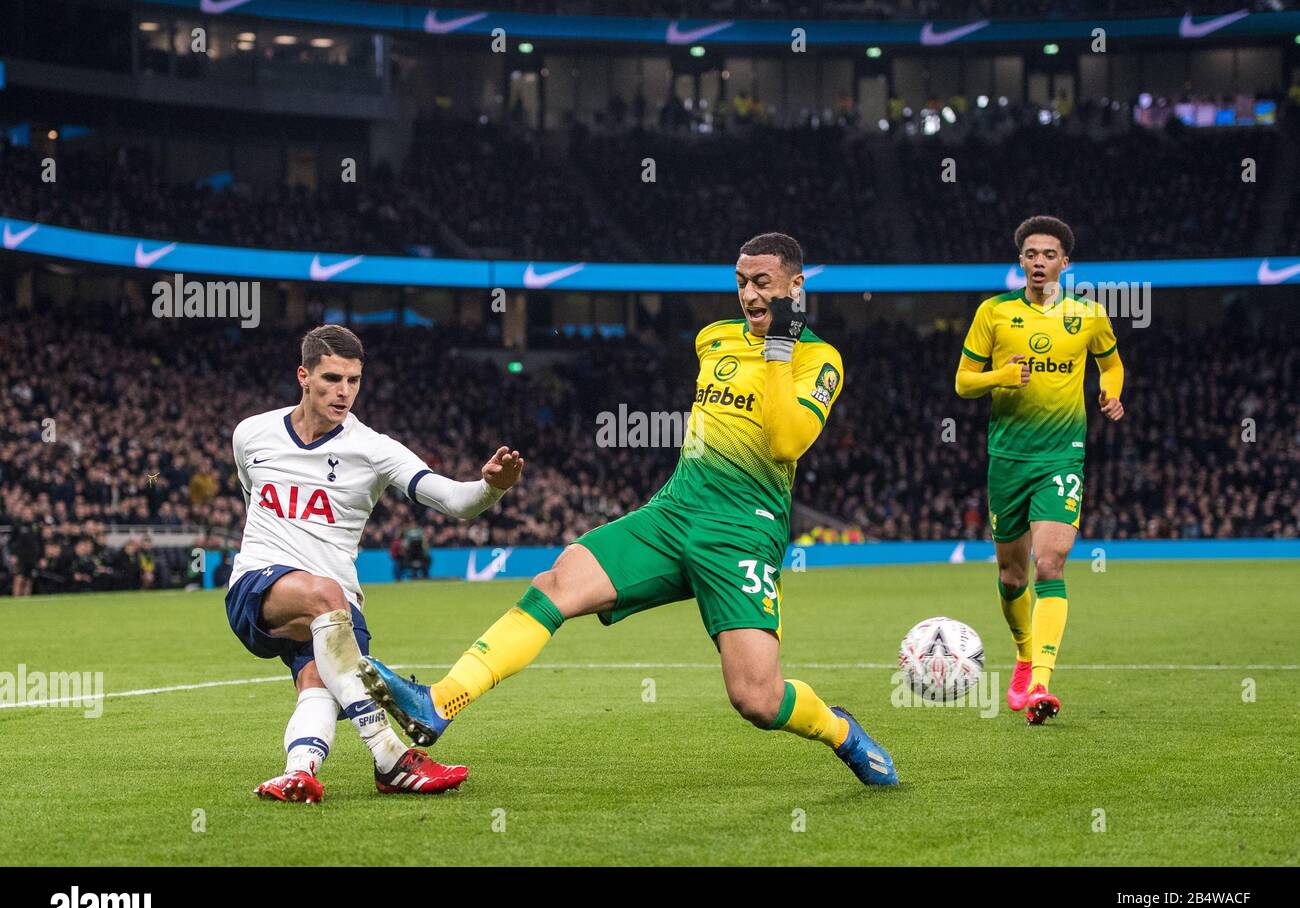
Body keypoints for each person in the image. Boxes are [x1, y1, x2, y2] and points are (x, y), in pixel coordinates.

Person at [359, 233, 898, 787]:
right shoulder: (713, 339)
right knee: (557, 582)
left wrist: (779, 350)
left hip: (742, 531)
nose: (749, 294)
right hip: (673, 512)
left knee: (756, 699)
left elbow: (786, 441)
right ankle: (439, 703)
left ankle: (841, 732)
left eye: (762, 282)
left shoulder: (819, 359)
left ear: (794, 286)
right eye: (741, 282)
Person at [225, 325, 523, 802]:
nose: (344, 392)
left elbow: (455, 501)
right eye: (331, 379)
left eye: (354, 380)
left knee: (318, 684)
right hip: (260, 584)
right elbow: (252, 499)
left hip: (338, 604)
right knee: (326, 598)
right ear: (303, 376)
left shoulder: (373, 449)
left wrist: (491, 486)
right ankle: (392, 757)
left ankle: (298, 771)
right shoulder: (251, 434)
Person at [954, 215, 1125, 725]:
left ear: (1064, 264)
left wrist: (1111, 392)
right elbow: (963, 382)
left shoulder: (1089, 316)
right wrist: (1001, 376)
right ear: (1020, 261)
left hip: (1062, 455)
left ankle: (1042, 683)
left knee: (1049, 565)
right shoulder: (994, 313)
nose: (1038, 262)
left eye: (1048, 254)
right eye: (1030, 254)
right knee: (1011, 575)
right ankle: (1025, 656)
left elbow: (1111, 364)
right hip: (1008, 458)